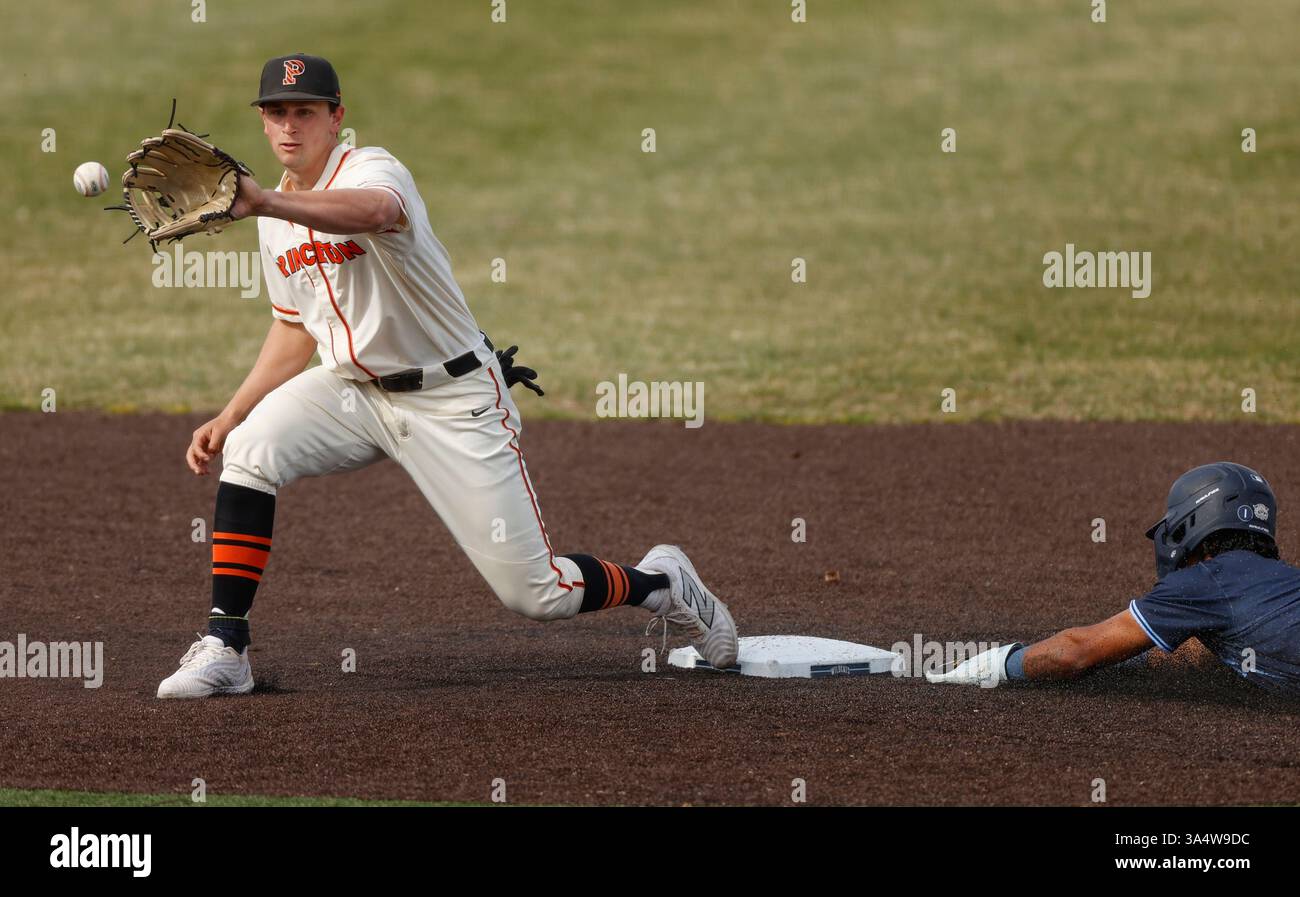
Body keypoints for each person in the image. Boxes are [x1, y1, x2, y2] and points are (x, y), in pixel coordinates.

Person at [156, 54, 737, 698]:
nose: (289, 126)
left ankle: (662, 583)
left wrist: (263, 200)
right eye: (276, 113)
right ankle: (226, 646)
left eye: (305, 111)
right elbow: (295, 328)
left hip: (451, 396)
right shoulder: (270, 217)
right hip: (352, 394)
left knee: (536, 593)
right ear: (263, 123)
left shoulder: (372, 168)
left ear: (335, 117)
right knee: (251, 450)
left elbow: (377, 212)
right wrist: (231, 412)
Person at [927, 462, 1300, 697]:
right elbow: (1197, 657)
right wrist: (1125, 667)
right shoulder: (1277, 584)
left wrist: (999, 665)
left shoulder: (1204, 582)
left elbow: (1074, 652)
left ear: (1192, 524)